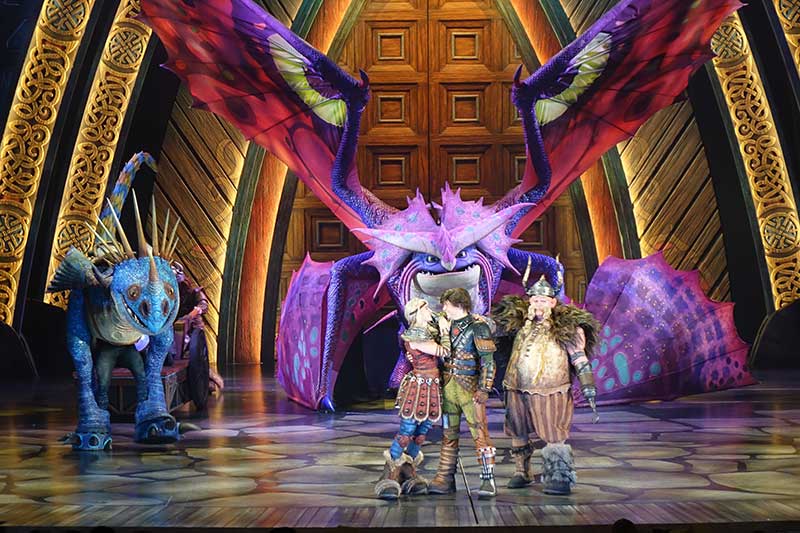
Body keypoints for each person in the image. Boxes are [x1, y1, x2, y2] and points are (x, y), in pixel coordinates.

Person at [493, 262, 599, 495]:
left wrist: (588, 386)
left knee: (553, 432)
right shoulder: (519, 324)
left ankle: (558, 476)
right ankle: (522, 471)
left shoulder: (567, 328)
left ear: (553, 302)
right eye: (534, 300)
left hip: (551, 389)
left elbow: (579, 357)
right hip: (516, 387)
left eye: (543, 301)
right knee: (518, 430)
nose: (538, 304)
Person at [375, 298, 449, 500]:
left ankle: (408, 471)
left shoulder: (427, 332)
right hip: (419, 387)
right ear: (417, 312)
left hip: (432, 385)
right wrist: (445, 331)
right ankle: (392, 469)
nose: (429, 311)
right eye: (426, 308)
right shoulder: (415, 335)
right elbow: (443, 351)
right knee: (407, 430)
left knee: (422, 432)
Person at [428, 288, 498, 498]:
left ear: (458, 304)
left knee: (479, 433)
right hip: (449, 388)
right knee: (448, 433)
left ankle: (487, 480)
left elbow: (488, 362)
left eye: (446, 304)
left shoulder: (478, 327)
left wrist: (484, 388)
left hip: (470, 388)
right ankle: (445, 477)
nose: (444, 308)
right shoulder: (445, 325)